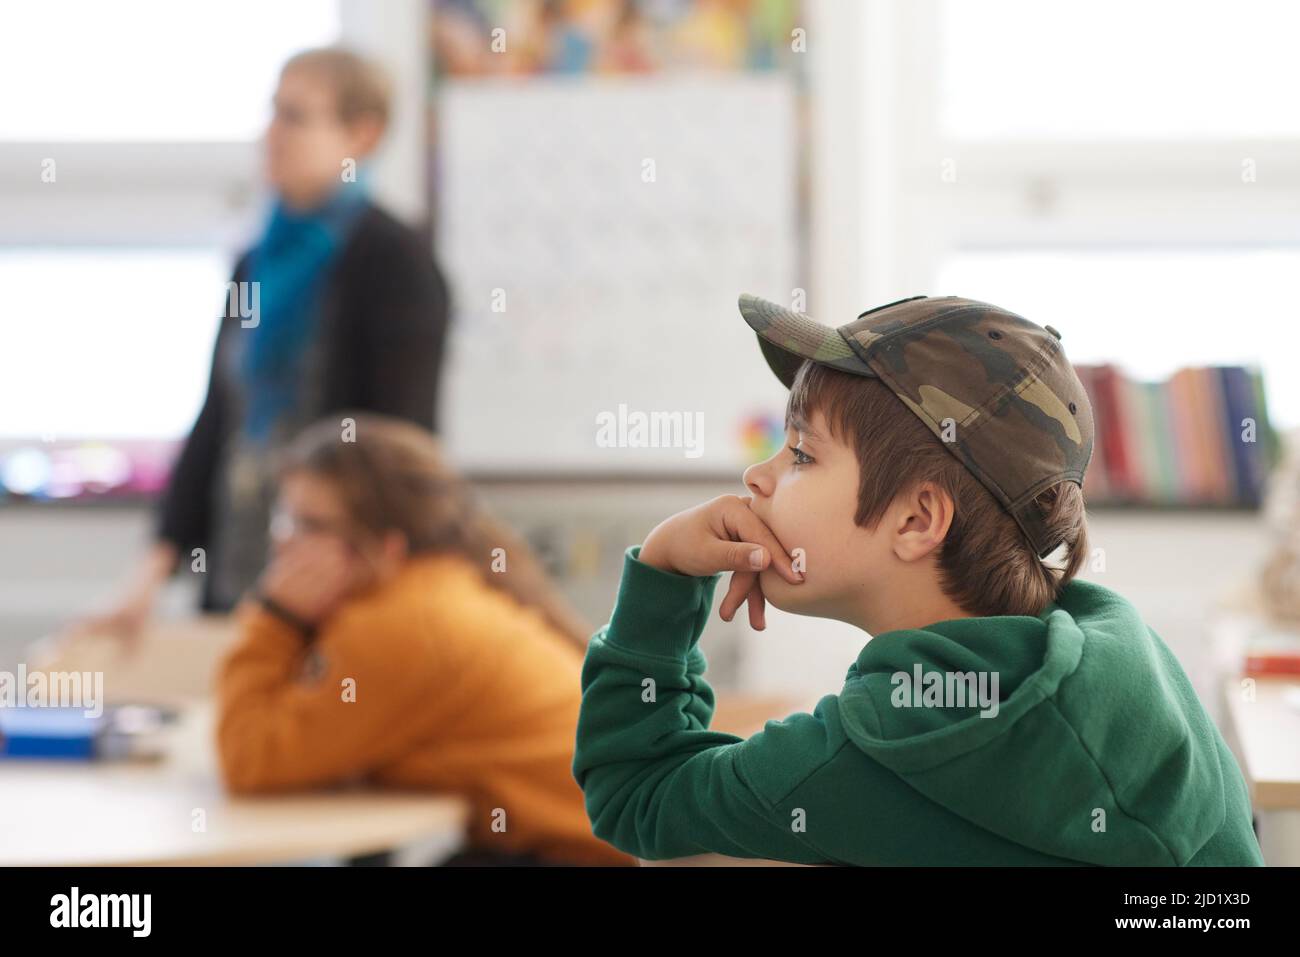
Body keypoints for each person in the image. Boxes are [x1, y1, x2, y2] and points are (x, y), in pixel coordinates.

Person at [573, 293, 1265, 866]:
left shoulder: (880, 750)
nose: (758, 475)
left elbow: (635, 789)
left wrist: (664, 570)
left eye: (804, 453)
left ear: (916, 519)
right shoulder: (1132, 660)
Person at [66, 47, 450, 644]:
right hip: (238, 567)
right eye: (272, 112)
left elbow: (399, 448)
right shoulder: (255, 261)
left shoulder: (395, 262)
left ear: (362, 134)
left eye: (295, 117)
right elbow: (221, 418)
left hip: (339, 588)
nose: (270, 134)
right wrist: (153, 569)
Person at [216, 412, 631, 867]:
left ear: (387, 547)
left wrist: (276, 618)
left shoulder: (401, 625)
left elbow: (248, 761)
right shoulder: (433, 590)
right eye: (285, 519)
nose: (284, 545)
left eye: (311, 526)